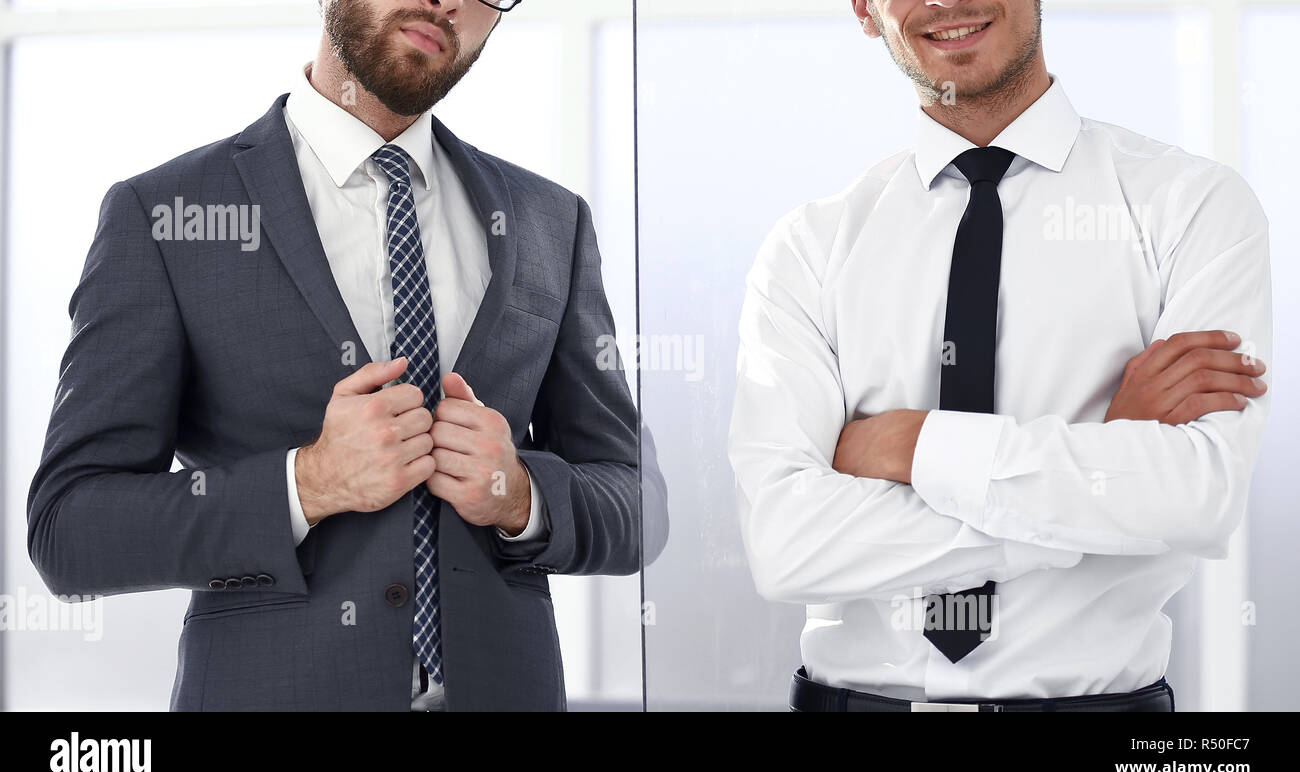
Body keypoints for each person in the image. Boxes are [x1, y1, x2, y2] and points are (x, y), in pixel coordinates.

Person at [27, 0, 657, 711]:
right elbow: (69, 529)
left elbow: (636, 505)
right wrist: (308, 484)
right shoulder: (165, 214)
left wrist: (520, 493)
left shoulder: (551, 220)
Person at [728, 0, 1272, 712]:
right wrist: (1096, 466)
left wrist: (912, 445)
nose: (947, 2)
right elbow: (788, 545)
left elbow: (1196, 497)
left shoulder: (1192, 207)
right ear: (864, 9)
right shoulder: (808, 247)